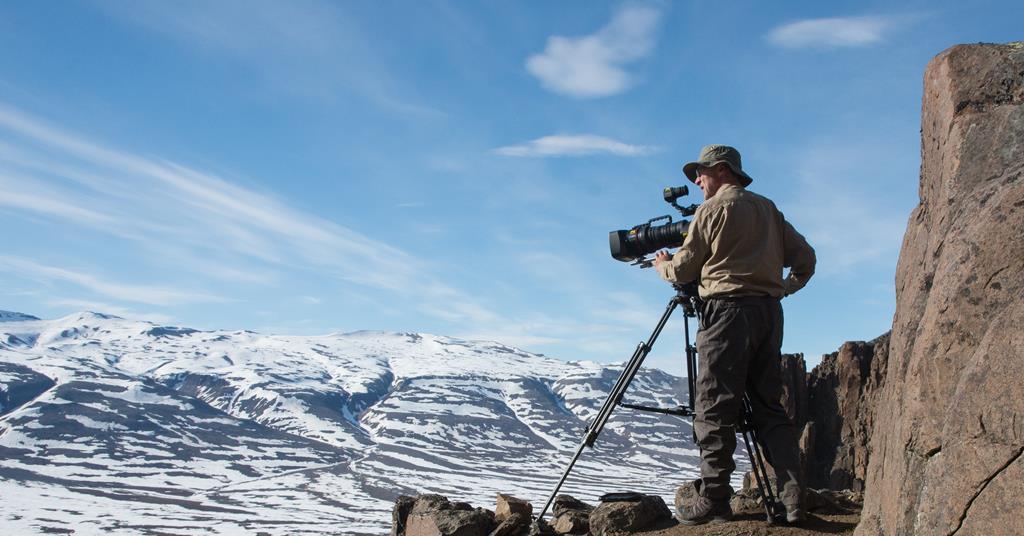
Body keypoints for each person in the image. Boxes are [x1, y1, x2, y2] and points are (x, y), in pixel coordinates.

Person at [653, 144, 816, 525]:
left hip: (726, 314)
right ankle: (793, 498)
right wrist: (782, 288)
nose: (697, 180)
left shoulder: (712, 210)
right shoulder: (769, 209)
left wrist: (662, 265)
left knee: (713, 407)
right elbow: (805, 259)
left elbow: (684, 270)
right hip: (768, 314)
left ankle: (714, 500)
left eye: (701, 173)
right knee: (768, 407)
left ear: (722, 170)